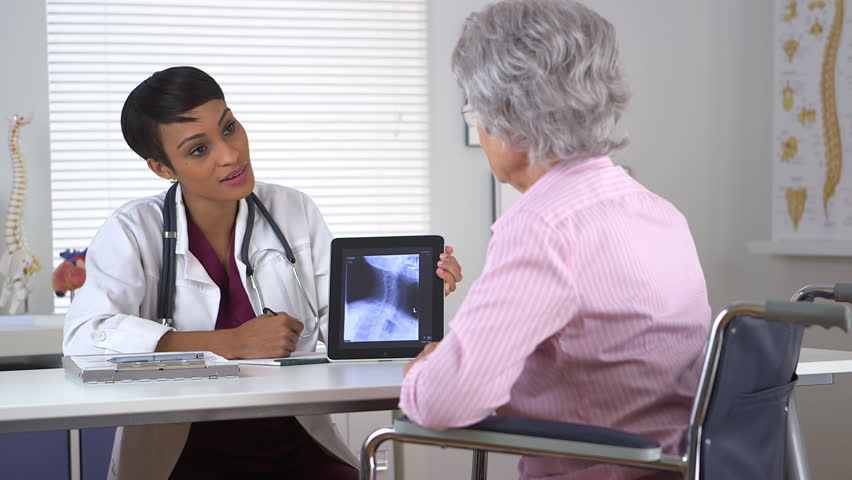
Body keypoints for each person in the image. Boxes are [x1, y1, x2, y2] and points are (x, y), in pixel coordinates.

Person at [62, 66, 462, 480]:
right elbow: (85, 340)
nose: (231, 154)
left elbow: (343, 327)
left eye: (229, 127)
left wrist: (415, 297)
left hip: (298, 448)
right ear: (162, 168)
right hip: (182, 459)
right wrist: (231, 343)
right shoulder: (134, 229)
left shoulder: (293, 209)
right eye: (200, 150)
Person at [398, 1, 711, 479]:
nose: (477, 128)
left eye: (473, 110)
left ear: (508, 118)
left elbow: (444, 403)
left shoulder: (543, 227)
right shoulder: (658, 213)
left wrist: (425, 371)